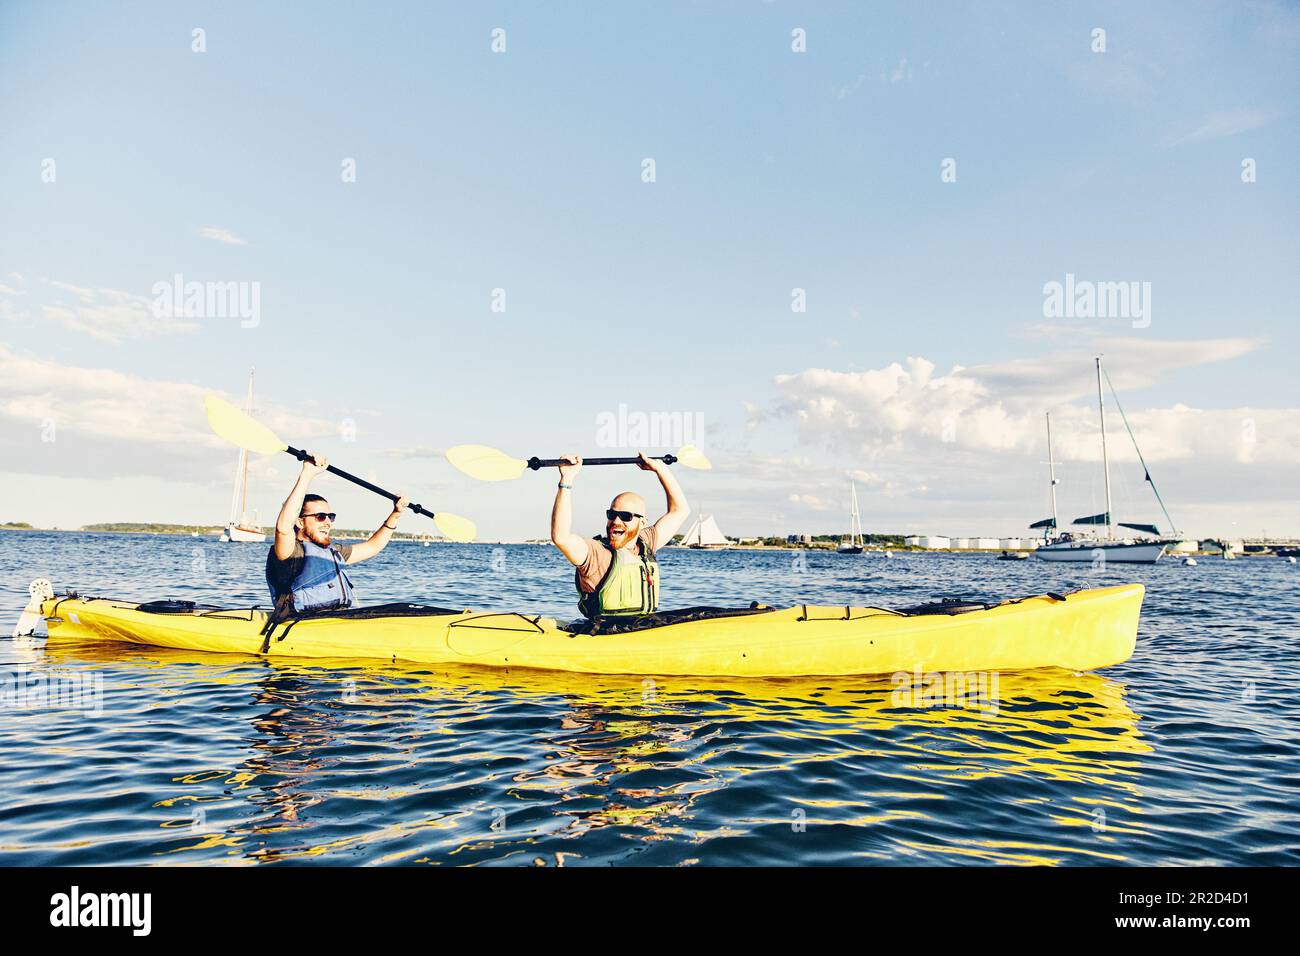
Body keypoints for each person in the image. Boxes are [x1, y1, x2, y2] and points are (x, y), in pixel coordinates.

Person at [549, 453, 690, 619]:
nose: (615, 521)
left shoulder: (646, 542)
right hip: (604, 634)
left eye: (625, 516)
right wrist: (567, 480)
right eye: (611, 514)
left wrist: (660, 469)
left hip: (642, 630)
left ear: (643, 521)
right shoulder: (596, 554)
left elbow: (681, 511)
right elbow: (561, 537)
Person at [265, 454, 408, 616]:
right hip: (299, 624)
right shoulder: (291, 553)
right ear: (300, 522)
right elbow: (283, 528)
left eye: (330, 516)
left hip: (337, 619)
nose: (328, 522)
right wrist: (307, 474)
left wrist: (396, 514)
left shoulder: (334, 553)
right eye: (320, 517)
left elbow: (372, 547)